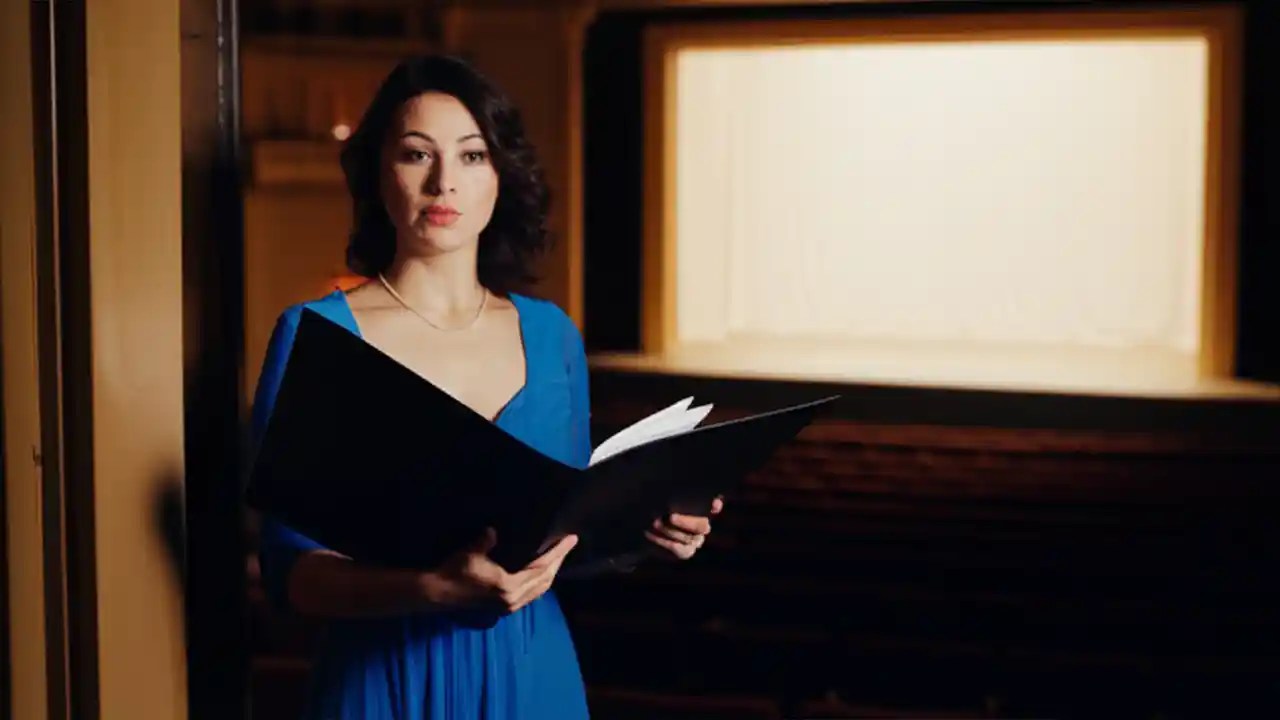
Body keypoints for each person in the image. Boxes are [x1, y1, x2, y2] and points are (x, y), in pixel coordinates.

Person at [249, 55, 724, 719]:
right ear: (377, 172)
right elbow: (290, 576)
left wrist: (640, 535)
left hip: (533, 671)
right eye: (418, 153)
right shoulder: (315, 334)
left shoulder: (553, 335)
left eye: (472, 156)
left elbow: (558, 536)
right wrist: (428, 589)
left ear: (500, 175)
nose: (445, 182)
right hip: (383, 680)